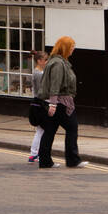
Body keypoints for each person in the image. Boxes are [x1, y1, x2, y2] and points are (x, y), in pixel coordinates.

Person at [36, 36, 86, 169]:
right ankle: (73, 160)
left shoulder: (57, 61)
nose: (73, 50)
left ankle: (45, 161)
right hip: (61, 103)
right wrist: (53, 104)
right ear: (64, 48)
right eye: (71, 47)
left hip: (55, 103)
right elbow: (55, 85)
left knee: (50, 131)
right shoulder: (58, 63)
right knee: (72, 128)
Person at [28, 47, 49, 164]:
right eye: (45, 60)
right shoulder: (38, 74)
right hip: (40, 103)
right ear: (39, 61)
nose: (47, 62)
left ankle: (34, 154)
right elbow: (44, 89)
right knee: (42, 130)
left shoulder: (40, 72)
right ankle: (34, 154)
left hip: (39, 102)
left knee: (40, 130)